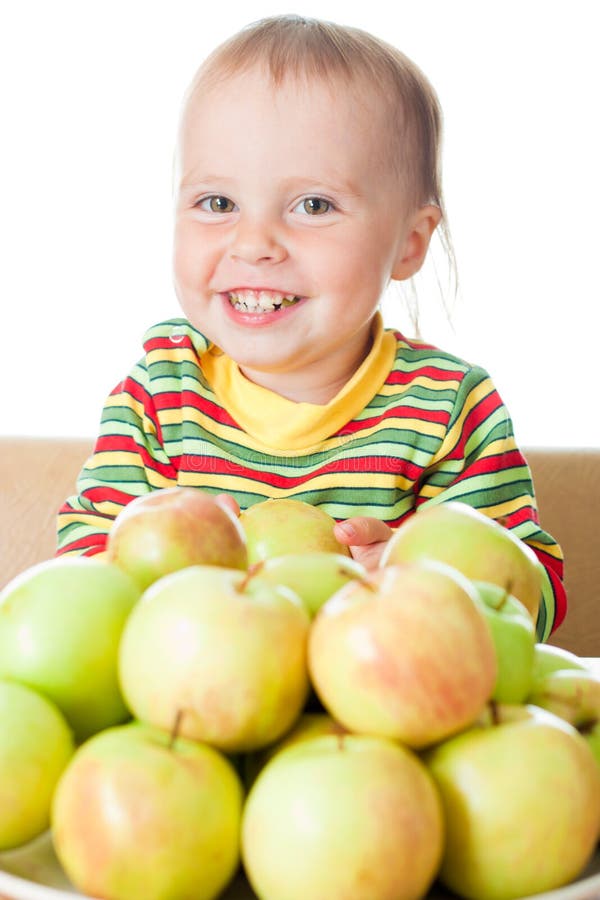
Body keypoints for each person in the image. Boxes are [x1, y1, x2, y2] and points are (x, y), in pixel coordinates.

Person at [56, 14, 565, 640]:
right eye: (218, 204)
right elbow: (81, 569)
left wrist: (422, 575)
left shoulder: (447, 409)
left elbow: (529, 597)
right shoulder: (160, 393)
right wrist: (164, 567)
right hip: (195, 695)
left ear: (409, 243)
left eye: (314, 205)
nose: (255, 243)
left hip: (377, 710)